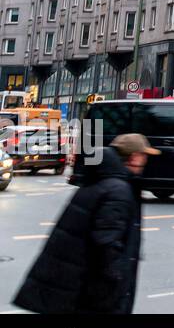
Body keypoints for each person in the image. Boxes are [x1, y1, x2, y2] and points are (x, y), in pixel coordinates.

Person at [13, 133, 159, 314]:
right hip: (95, 292)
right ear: (134, 157)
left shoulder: (99, 181)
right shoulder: (118, 191)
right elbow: (106, 243)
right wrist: (116, 280)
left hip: (76, 283)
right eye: (143, 155)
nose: (145, 161)